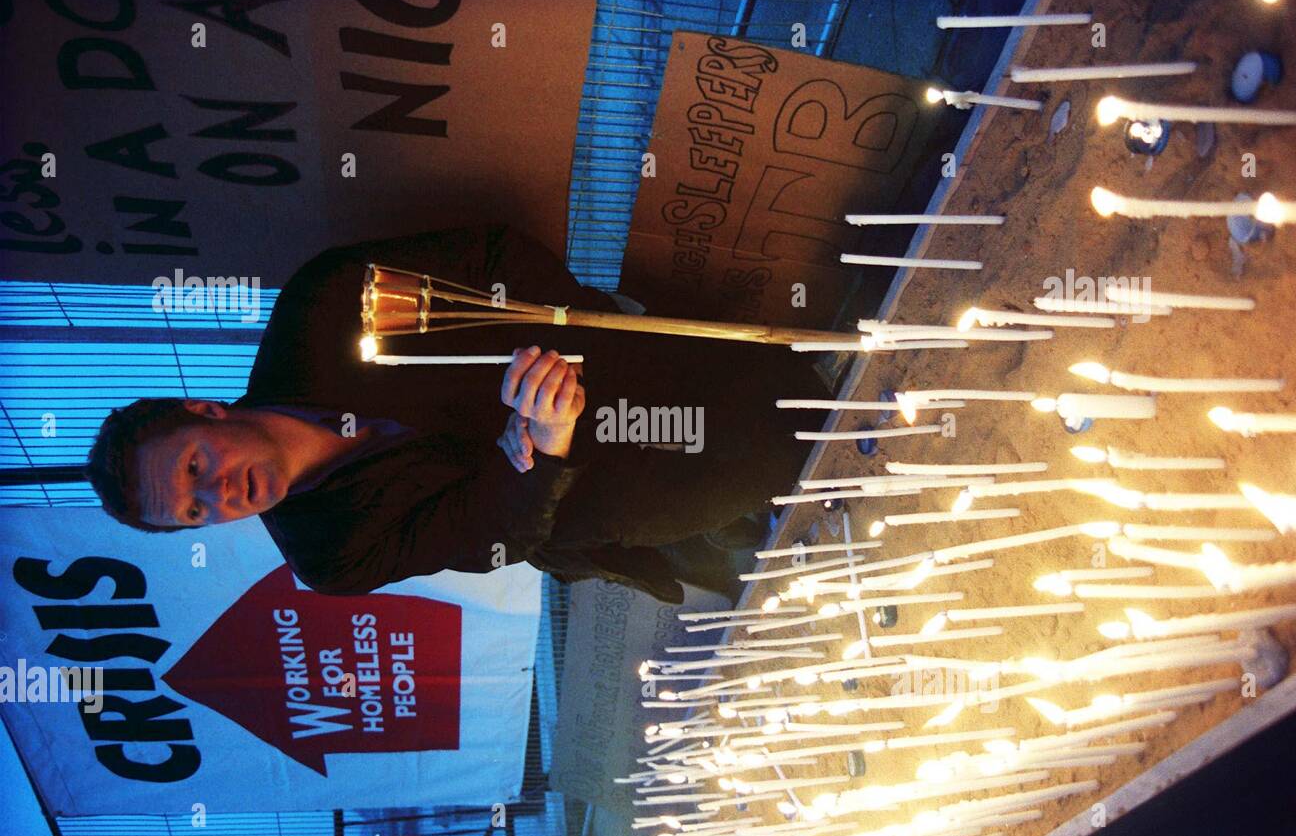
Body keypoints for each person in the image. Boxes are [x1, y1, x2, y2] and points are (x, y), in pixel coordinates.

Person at [86, 224, 831, 604]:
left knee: (795, 382)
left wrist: (557, 343)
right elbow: (488, 541)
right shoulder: (328, 555)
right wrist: (537, 448)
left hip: (606, 354)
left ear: (203, 411)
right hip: (581, 491)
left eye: (196, 467)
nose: (221, 497)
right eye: (194, 511)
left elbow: (489, 252)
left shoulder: (315, 310)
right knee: (775, 463)